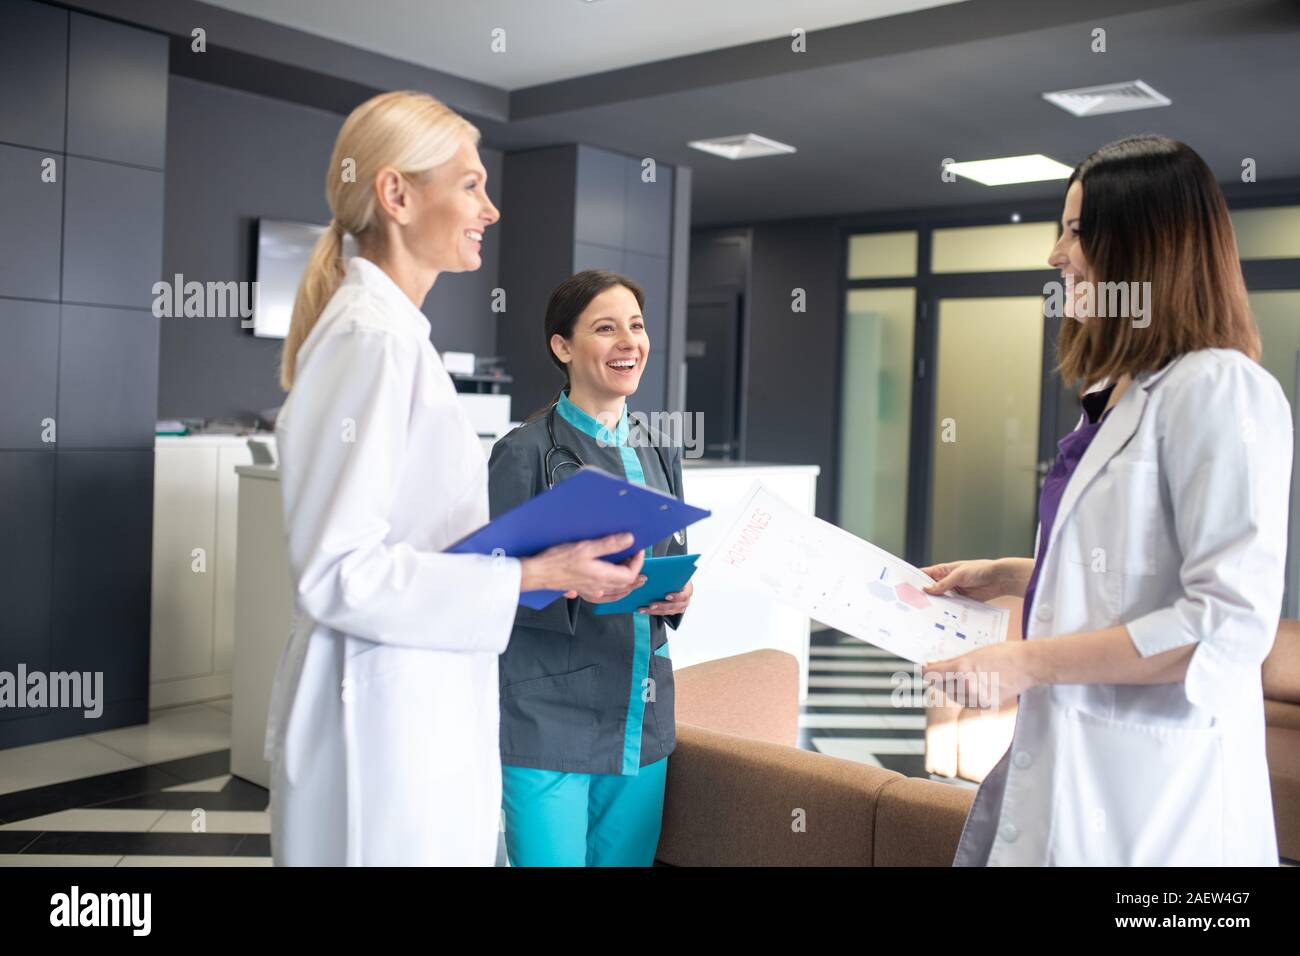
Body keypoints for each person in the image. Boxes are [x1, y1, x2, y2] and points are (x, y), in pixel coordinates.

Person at [265, 92, 644, 866]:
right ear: (397, 195)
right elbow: (338, 573)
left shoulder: (396, 340)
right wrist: (532, 572)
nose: (491, 208)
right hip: (379, 722)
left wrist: (537, 569)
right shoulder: (371, 344)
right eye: (469, 184)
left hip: (416, 703)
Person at [921, 135, 1291, 866]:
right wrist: (1014, 573)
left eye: (1076, 230)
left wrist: (1028, 662)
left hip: (1157, 802)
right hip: (1075, 765)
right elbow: (1135, 569)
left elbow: (1222, 622)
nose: (1056, 254)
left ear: (1147, 244)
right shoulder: (1119, 394)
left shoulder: (1219, 388)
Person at [488, 270, 693, 866]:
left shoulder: (659, 449)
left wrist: (675, 596)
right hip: (547, 715)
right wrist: (569, 581)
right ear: (563, 346)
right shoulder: (524, 453)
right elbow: (489, 586)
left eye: (636, 325)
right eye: (606, 328)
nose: (630, 341)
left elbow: (667, 556)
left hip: (640, 712)